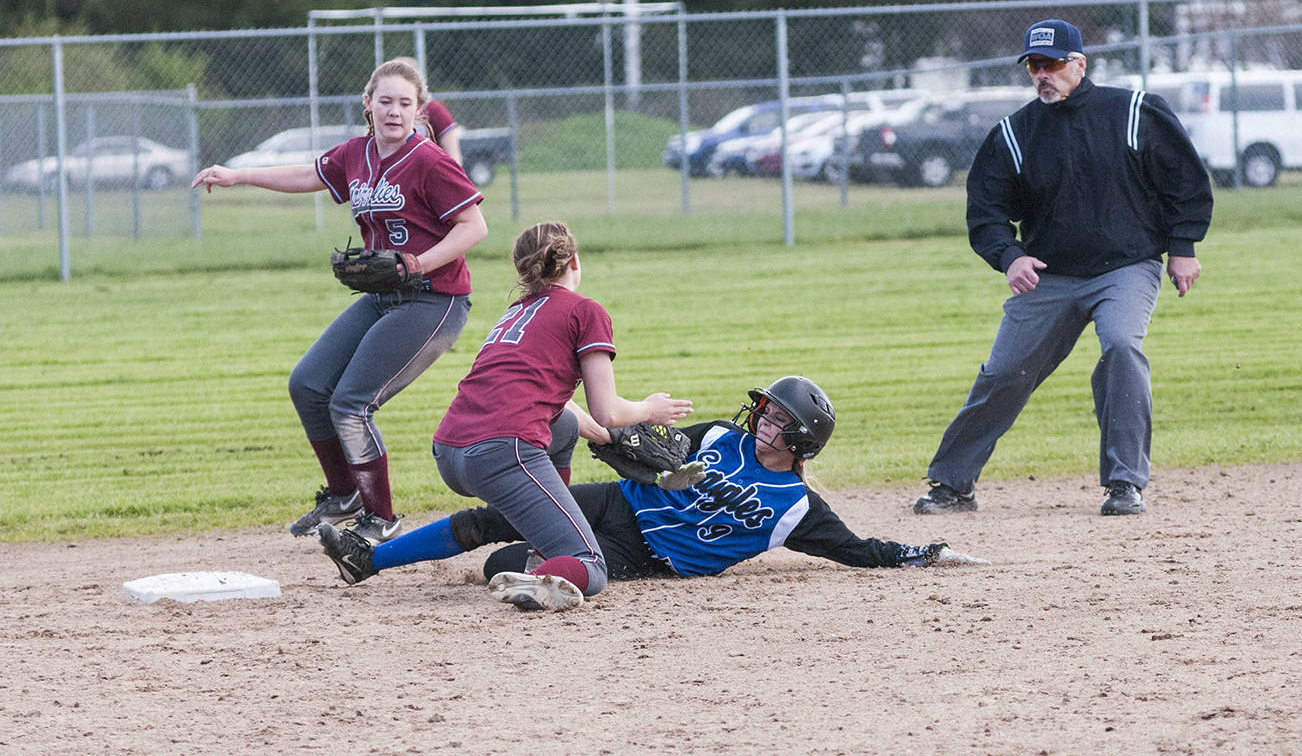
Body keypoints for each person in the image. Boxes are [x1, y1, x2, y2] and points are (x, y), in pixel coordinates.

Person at [317, 375, 987, 612]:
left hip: (646, 554)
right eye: (767, 410)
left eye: (781, 420)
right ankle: (367, 559)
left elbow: (856, 550)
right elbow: (648, 454)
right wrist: (617, 433)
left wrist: (921, 554)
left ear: (803, 444)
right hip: (617, 503)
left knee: (501, 565)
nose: (766, 422)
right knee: (491, 516)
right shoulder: (721, 435)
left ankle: (541, 584)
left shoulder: (796, 510)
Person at [911, 19, 1213, 518]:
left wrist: (1183, 245)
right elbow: (985, 212)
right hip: (1050, 274)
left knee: (1120, 346)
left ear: (1080, 64)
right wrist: (1010, 257)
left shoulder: (1134, 112)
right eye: (1034, 65)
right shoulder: (1014, 133)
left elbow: (1186, 180)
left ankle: (1124, 483)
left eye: (1052, 64)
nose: (1042, 75)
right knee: (1006, 370)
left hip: (1126, 266)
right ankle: (952, 484)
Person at [190, 59, 489, 544]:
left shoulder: (429, 160)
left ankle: (382, 518)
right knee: (308, 385)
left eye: (405, 104)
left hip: (434, 300)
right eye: (385, 101)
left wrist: (417, 263)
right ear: (367, 103)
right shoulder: (357, 153)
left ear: (418, 111)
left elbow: (474, 227)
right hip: (385, 296)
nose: (394, 112)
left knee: (351, 404)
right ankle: (345, 495)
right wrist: (239, 175)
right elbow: (307, 175)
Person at [334, 220, 692, 611]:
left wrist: (609, 438)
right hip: (502, 452)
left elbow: (561, 409)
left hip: (450, 452)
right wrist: (648, 410)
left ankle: (366, 558)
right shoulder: (585, 310)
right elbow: (606, 410)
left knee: (566, 428)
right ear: (574, 261)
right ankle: (540, 578)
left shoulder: (517, 312)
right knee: (591, 567)